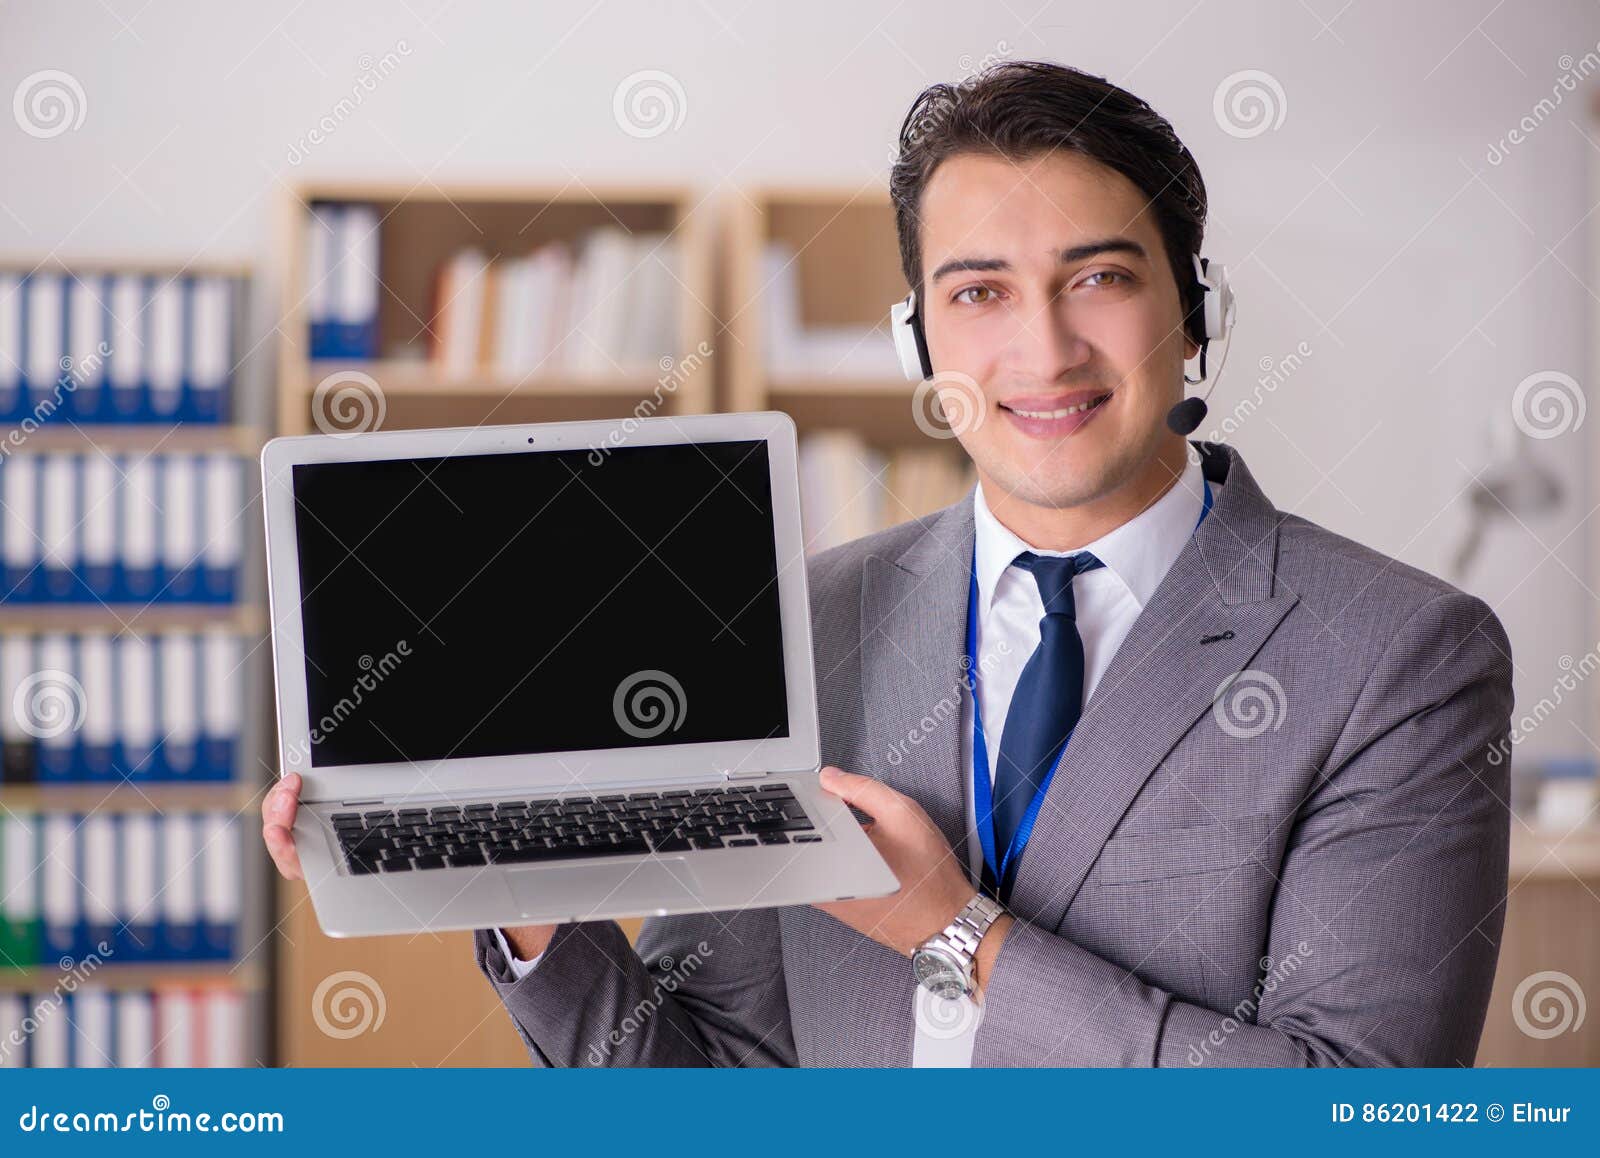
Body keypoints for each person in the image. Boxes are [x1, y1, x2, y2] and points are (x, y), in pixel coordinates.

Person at [263, 60, 1513, 1067]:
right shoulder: (808, 618)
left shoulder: (1396, 656)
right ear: (919, 343)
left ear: (1196, 314)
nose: (1043, 346)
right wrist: (517, 882)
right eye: (979, 294)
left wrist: (955, 931)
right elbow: (713, 1077)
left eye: (1101, 277)